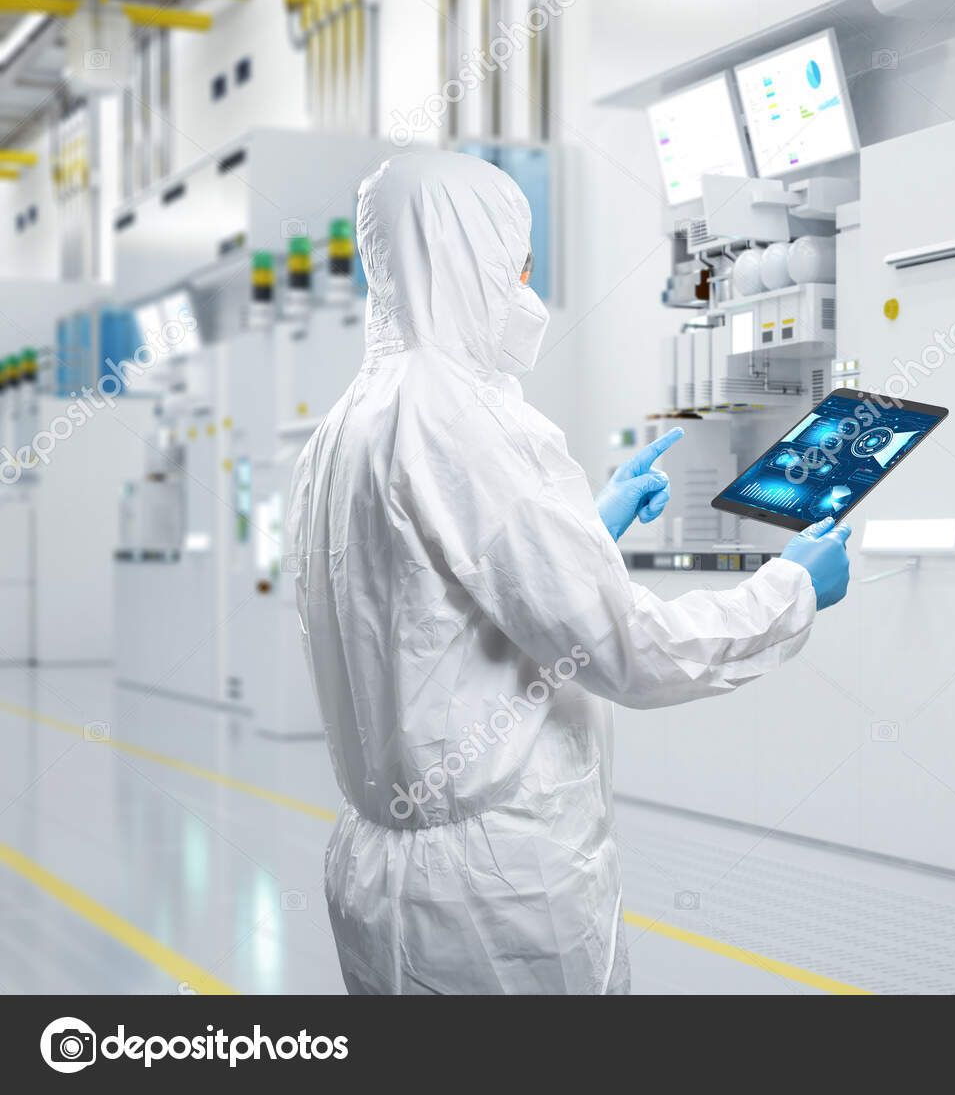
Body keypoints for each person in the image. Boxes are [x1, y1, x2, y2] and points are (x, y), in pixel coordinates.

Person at [286, 150, 851, 994]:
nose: (525, 290)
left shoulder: (346, 424)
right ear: (466, 259)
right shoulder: (469, 419)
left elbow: (426, 607)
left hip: (378, 874)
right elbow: (626, 649)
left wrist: (590, 524)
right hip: (494, 893)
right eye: (517, 266)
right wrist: (792, 588)